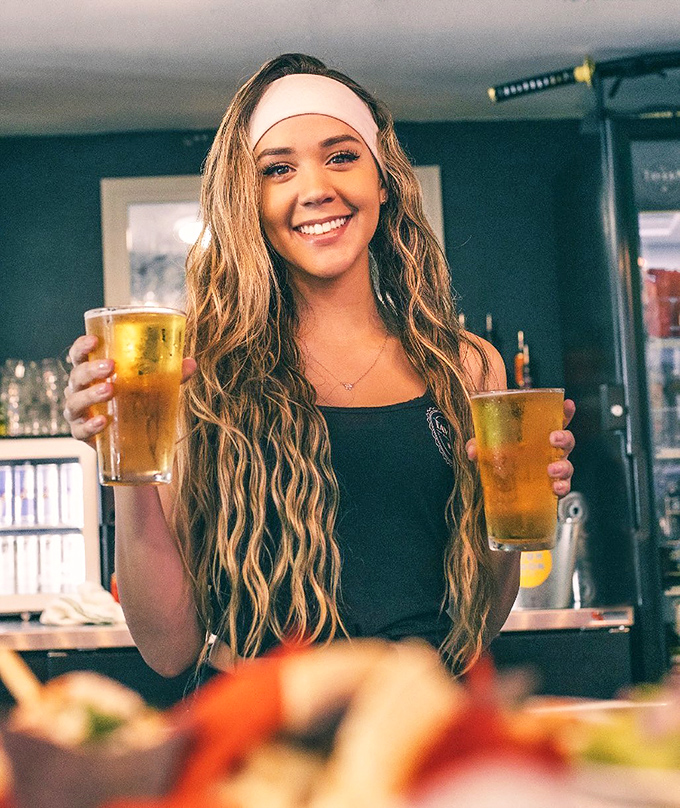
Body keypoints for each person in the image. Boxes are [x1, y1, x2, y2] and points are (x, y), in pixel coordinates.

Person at [64, 53, 575, 680]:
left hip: (414, 734)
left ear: (383, 180)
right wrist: (124, 463)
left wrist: (516, 519)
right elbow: (168, 650)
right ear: (248, 201)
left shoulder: (465, 367)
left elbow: (478, 621)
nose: (315, 189)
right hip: (259, 737)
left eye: (341, 156)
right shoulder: (198, 374)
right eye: (278, 169)